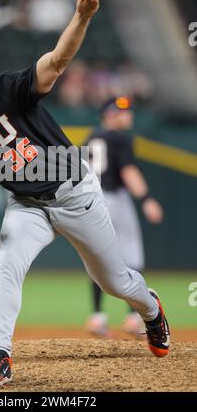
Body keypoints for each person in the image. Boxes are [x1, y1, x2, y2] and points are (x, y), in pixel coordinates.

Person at [0, 0, 170, 388]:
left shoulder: (7, 90)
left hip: (76, 193)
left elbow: (56, 61)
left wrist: (81, 17)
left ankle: (152, 311)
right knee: (7, 264)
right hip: (27, 205)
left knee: (114, 281)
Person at [84, 96, 164, 339]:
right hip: (115, 199)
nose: (127, 115)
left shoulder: (91, 138)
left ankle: (97, 317)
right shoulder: (120, 137)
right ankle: (133, 316)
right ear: (109, 115)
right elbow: (129, 172)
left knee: (98, 257)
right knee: (131, 255)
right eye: (121, 112)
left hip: (91, 200)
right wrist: (147, 198)